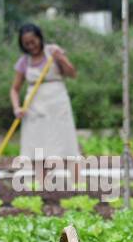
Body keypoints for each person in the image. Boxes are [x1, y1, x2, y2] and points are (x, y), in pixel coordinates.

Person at [9, 23, 81, 185]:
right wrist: (17, 108)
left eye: (33, 41)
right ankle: (43, 185)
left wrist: (61, 58)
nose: (31, 46)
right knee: (36, 145)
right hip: (34, 108)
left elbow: (72, 73)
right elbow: (14, 89)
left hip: (57, 105)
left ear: (40, 38)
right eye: (26, 43)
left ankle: (75, 184)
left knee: (64, 142)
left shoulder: (53, 52)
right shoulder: (24, 62)